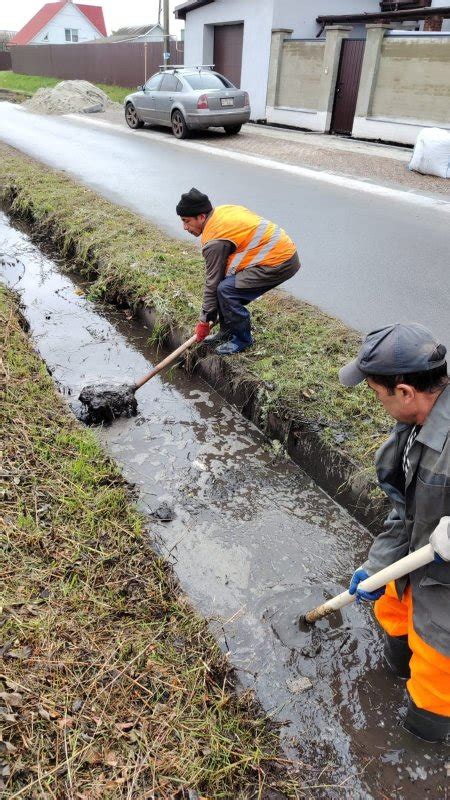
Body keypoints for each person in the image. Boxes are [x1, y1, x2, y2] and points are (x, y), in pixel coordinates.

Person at [340, 323, 450, 742]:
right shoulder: (412, 427)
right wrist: (378, 565)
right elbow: (403, 510)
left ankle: (421, 749)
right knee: (394, 620)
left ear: (404, 391)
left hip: (446, 588)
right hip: (415, 562)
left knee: (434, 690)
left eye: (376, 393)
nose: (377, 402)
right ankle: (396, 669)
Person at [176, 188, 300, 355]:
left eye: (187, 221)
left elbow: (212, 283)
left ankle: (242, 340)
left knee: (227, 290)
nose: (185, 227)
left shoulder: (215, 239)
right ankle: (227, 332)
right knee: (225, 285)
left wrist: (204, 322)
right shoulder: (220, 212)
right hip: (276, 253)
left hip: (280, 261)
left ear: (202, 217)